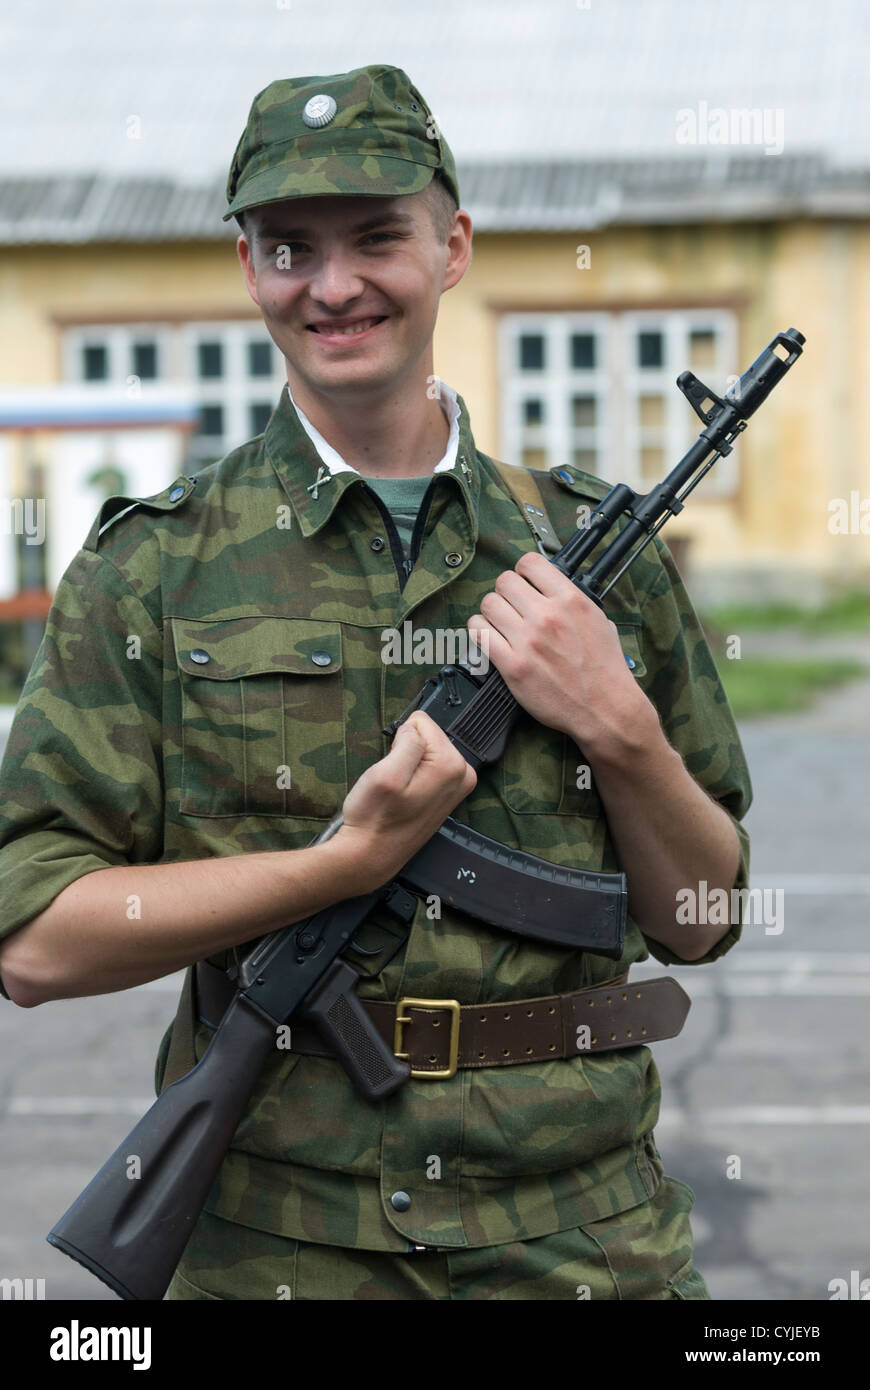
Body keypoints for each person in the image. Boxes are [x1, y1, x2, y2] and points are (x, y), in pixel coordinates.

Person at [0, 64, 752, 1301]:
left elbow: (705, 920)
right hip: (278, 1243)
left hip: (580, 1239)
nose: (334, 284)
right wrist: (338, 870)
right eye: (290, 247)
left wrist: (624, 731)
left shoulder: (593, 561)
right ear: (249, 268)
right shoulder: (151, 569)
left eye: (376, 238)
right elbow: (33, 944)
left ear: (452, 247)